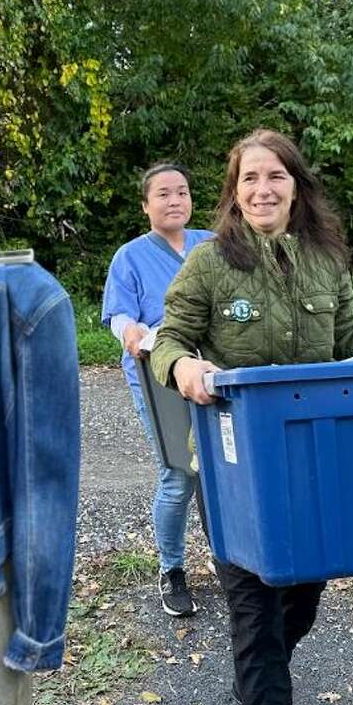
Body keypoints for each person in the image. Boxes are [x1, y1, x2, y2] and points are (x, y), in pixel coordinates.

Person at [149, 129, 353, 705]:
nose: (262, 188)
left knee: (303, 596)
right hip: (237, 466)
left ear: (296, 187)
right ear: (233, 192)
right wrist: (183, 364)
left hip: (313, 456)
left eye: (275, 175)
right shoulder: (210, 261)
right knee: (253, 602)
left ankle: (256, 675)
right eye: (249, 178)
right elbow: (167, 338)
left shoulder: (324, 258)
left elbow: (351, 337)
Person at [101, 162, 215, 617]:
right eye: (164, 194)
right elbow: (120, 316)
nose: (175, 201)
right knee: (180, 473)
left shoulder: (213, 245)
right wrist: (131, 333)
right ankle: (172, 570)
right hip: (158, 375)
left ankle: (231, 560)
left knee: (222, 470)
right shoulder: (130, 256)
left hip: (213, 373)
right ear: (146, 204)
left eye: (182, 192)